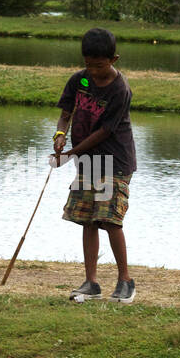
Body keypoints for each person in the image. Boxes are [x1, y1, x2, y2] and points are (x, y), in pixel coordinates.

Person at [53, 27, 136, 303]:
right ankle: (91, 282)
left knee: (109, 219)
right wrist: (60, 135)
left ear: (114, 59)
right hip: (86, 160)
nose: (94, 71)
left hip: (114, 161)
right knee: (88, 218)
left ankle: (125, 281)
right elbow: (66, 115)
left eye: (99, 65)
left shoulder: (120, 89)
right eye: (88, 64)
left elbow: (104, 132)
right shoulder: (80, 81)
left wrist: (70, 153)